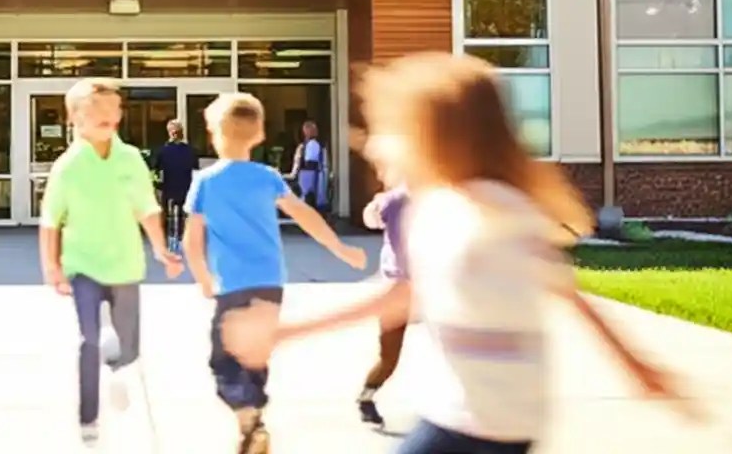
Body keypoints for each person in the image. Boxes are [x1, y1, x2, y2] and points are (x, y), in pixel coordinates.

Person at [222, 53, 694, 454]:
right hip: (463, 412)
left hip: (490, 422)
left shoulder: (497, 212)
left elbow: (566, 291)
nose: (380, 143)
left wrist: (638, 367)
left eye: (397, 130)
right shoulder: (436, 209)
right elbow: (400, 297)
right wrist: (290, 331)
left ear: (439, 136)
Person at [181, 92, 367, 454]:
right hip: (269, 282)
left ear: (214, 134)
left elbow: (192, 239)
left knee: (223, 360)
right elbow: (305, 215)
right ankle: (253, 427)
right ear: (260, 134)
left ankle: (249, 419)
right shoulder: (268, 178)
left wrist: (203, 278)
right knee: (255, 353)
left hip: (232, 283)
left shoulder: (205, 181)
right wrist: (340, 248)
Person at [38, 77, 184, 446]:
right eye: (97, 110)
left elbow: (147, 208)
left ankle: (116, 369)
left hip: (125, 266)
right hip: (83, 266)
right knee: (89, 340)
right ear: (75, 118)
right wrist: (51, 265)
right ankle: (88, 419)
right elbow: (51, 220)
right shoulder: (67, 166)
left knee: (128, 349)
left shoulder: (130, 158)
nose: (108, 116)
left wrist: (160, 248)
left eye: (113, 109)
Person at [355, 135, 412, 427]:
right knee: (389, 355)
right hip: (406, 287)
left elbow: (371, 219)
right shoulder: (402, 199)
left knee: (389, 356)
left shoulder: (392, 200)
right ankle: (366, 397)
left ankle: (366, 398)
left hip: (409, 287)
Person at [151, 118, 198, 253]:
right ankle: (181, 239)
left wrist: (157, 186)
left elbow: (156, 170)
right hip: (184, 187)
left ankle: (170, 241)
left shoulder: (163, 151)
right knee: (183, 216)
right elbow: (195, 169)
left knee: (168, 215)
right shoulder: (190, 151)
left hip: (168, 188)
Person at [287, 121, 329, 213]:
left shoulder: (312, 145)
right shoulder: (308, 145)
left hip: (310, 178)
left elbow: (310, 163)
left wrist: (299, 166)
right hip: (308, 177)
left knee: (309, 199)